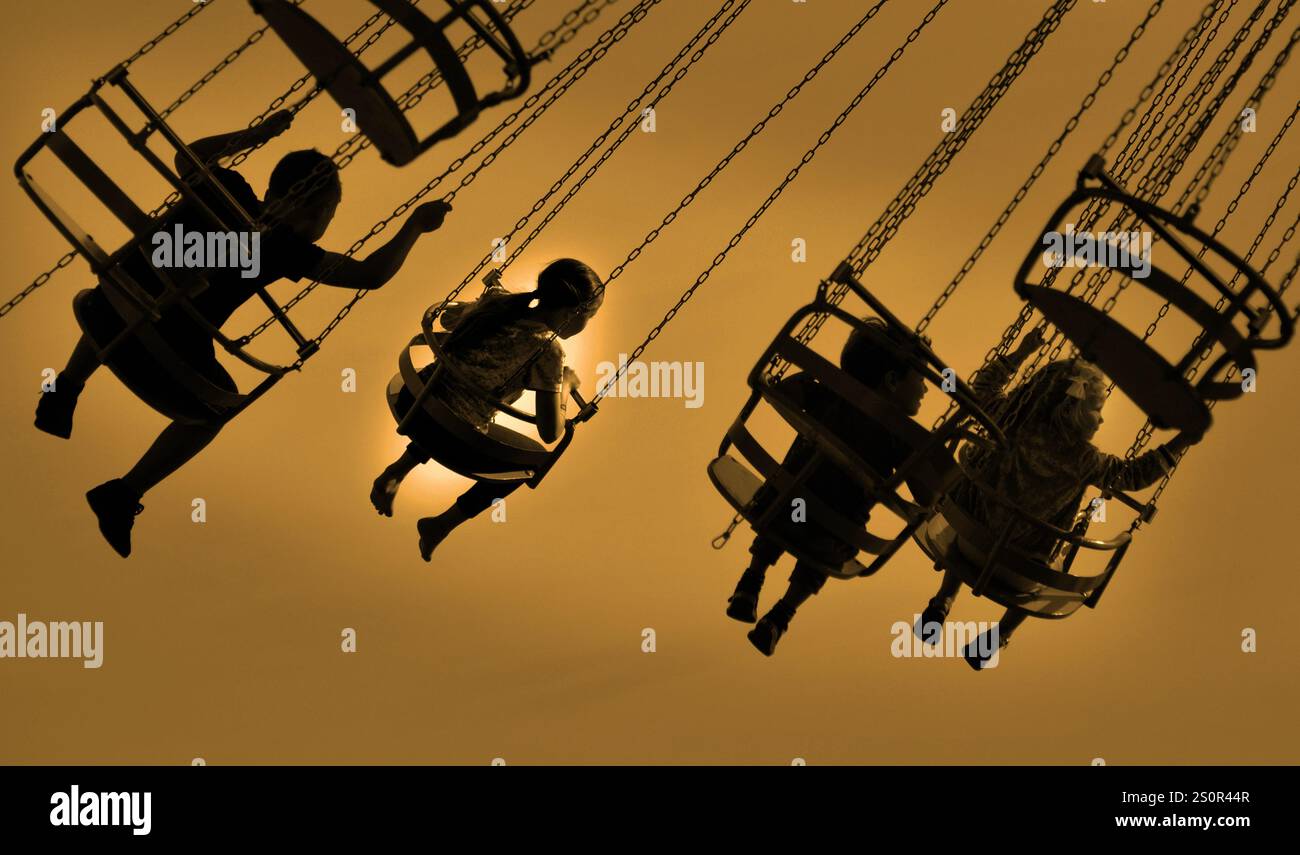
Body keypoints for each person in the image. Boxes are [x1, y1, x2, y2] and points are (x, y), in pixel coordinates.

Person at [34, 109, 452, 557]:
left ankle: (66, 388)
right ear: (315, 211)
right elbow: (371, 274)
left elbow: (188, 156)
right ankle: (124, 491)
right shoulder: (287, 248)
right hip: (167, 355)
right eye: (329, 213)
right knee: (218, 404)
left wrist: (255, 134)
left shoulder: (225, 191)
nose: (326, 224)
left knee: (133, 292)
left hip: (104, 308)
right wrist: (414, 228)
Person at [914, 327, 1201, 667]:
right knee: (1061, 552)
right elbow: (1135, 475)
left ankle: (943, 601)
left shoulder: (1009, 418)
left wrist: (1021, 352)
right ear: (1079, 413)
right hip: (1020, 573)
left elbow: (982, 388)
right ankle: (1001, 634)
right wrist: (1180, 442)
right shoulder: (1084, 459)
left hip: (965, 540)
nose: (1103, 417)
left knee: (979, 511)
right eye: (1098, 409)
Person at [369, 258, 604, 561]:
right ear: (575, 312)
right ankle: (442, 524)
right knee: (529, 462)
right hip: (447, 435)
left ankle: (396, 471)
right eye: (590, 317)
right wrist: (565, 388)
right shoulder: (548, 351)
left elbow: (447, 320)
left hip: (412, 398)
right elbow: (550, 432)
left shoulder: (499, 304)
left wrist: (489, 296)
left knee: (454, 407)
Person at [727, 318, 929, 656]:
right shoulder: (901, 437)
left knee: (789, 496)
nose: (925, 390)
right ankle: (781, 616)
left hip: (778, 510)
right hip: (830, 540)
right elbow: (926, 495)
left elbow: (783, 393)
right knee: (838, 532)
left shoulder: (828, 394)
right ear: (892, 381)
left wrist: (810, 378)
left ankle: (751, 581)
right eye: (921, 380)